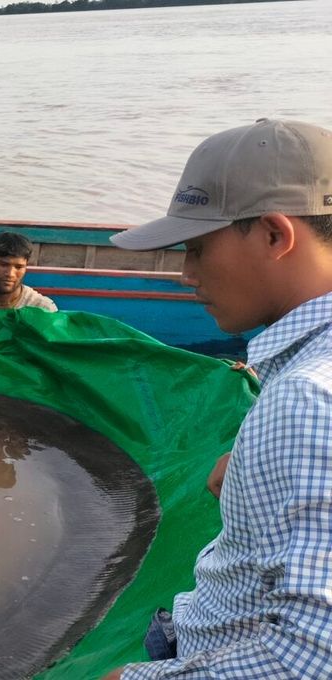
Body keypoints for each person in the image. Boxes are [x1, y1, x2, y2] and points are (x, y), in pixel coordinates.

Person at [100, 119, 332, 679]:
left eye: (199, 249)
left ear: (276, 235)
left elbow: (310, 659)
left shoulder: (307, 400)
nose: (185, 273)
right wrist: (254, 472)